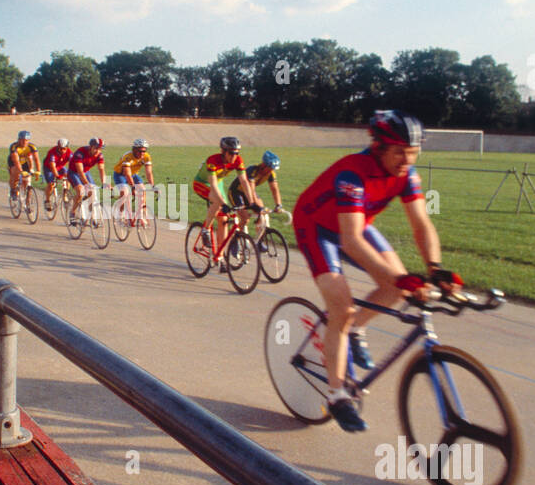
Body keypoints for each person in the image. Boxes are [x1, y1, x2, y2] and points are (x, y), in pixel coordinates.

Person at [292, 110, 461, 433]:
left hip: (355, 225)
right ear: (378, 147)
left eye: (413, 153)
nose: (406, 160)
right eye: (399, 152)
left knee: (399, 288)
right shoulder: (351, 174)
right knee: (342, 306)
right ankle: (338, 395)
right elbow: (352, 241)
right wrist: (396, 277)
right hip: (317, 227)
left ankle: (353, 330)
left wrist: (434, 268)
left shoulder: (407, 175)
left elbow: (421, 224)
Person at [192, 137, 259, 247]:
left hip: (218, 184)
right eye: (231, 153)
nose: (234, 156)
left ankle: (220, 257)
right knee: (218, 204)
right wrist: (223, 204)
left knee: (224, 219)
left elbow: (244, 182)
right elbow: (212, 185)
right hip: (202, 183)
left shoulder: (238, 160)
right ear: (223, 152)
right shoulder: (213, 161)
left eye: (237, 153)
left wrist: (251, 202)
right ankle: (205, 230)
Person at [228, 150, 285, 225]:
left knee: (263, 214)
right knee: (245, 219)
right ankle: (239, 235)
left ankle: (260, 235)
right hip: (236, 192)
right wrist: (257, 207)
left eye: (273, 169)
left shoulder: (271, 174)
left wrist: (278, 205)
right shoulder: (252, 170)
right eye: (270, 168)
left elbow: (275, 189)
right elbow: (251, 190)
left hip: (248, 192)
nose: (271, 171)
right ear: (263, 165)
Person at [113, 139, 155, 223]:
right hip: (121, 175)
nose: (142, 153)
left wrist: (152, 186)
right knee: (125, 193)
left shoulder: (146, 157)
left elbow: (149, 173)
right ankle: (120, 214)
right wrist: (132, 187)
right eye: (140, 151)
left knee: (142, 190)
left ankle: (141, 214)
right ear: (134, 150)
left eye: (144, 150)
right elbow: (127, 174)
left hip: (133, 174)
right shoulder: (128, 157)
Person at [69, 138, 107, 221]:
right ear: (90, 147)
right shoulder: (80, 153)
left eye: (100, 149)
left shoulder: (99, 155)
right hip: (74, 172)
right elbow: (80, 171)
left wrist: (105, 183)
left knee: (92, 193)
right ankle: (72, 212)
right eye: (96, 148)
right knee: (80, 191)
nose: (98, 151)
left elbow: (101, 170)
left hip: (86, 172)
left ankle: (92, 216)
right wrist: (87, 184)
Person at [7, 130, 40, 199]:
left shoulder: (32, 147)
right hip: (14, 163)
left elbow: (36, 159)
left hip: (25, 162)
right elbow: (16, 161)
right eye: (22, 140)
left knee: (27, 182)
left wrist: (38, 171)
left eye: (26, 140)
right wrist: (21, 171)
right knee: (15, 174)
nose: (24, 142)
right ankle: (13, 190)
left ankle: (28, 205)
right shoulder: (14, 147)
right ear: (19, 140)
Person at [43, 137, 72, 210]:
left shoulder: (69, 152)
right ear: (57, 147)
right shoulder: (52, 152)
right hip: (49, 168)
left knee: (68, 177)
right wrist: (57, 176)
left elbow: (73, 164)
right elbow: (52, 166)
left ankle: (65, 195)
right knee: (51, 184)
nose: (62, 151)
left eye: (64, 149)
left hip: (60, 167)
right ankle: (47, 200)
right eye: (60, 148)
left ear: (67, 148)